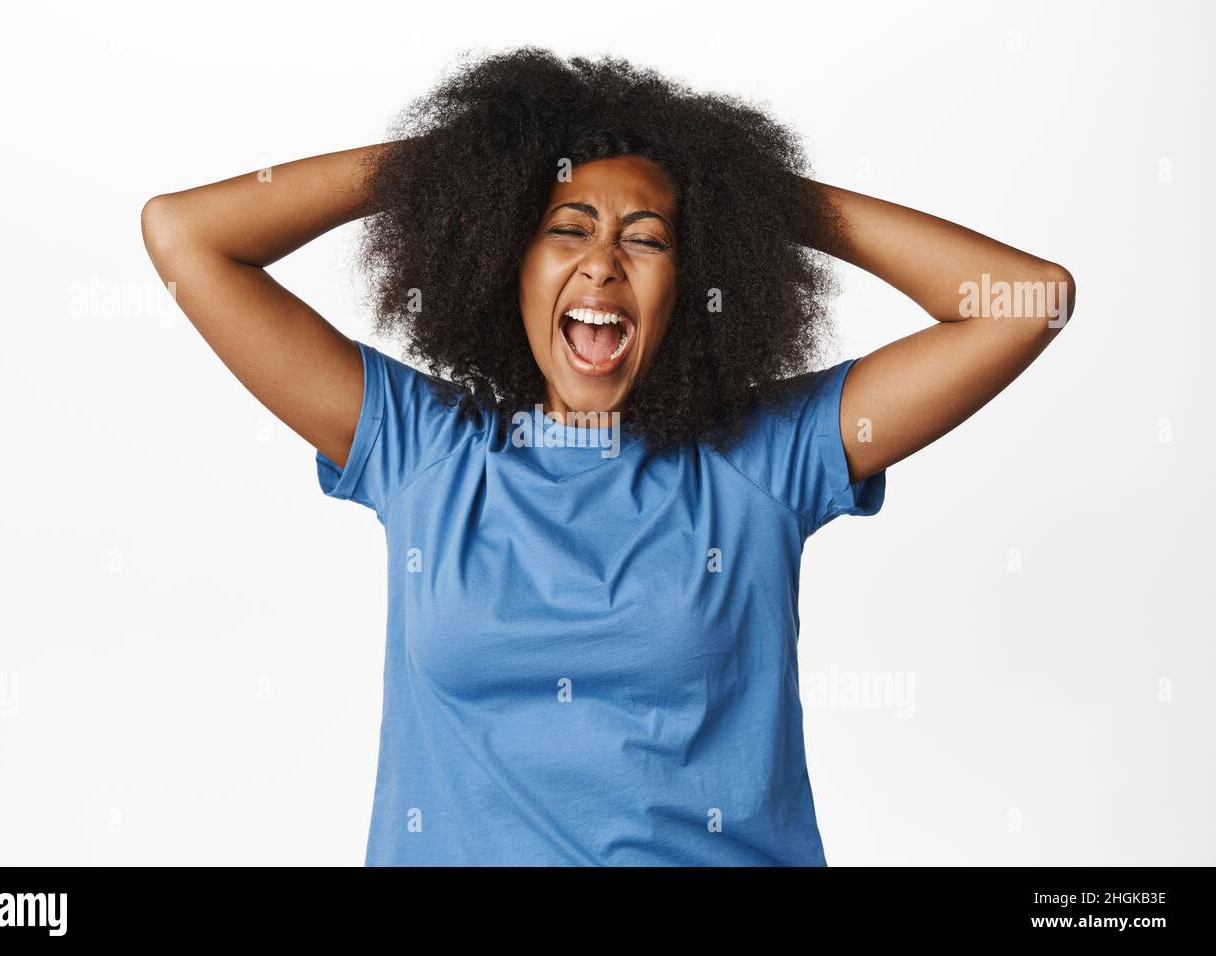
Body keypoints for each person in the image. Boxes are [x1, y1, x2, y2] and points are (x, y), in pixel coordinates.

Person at [140, 48, 1075, 866]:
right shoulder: (423, 452)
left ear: (699, 282)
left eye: (648, 239)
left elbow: (1029, 300)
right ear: (508, 258)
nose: (603, 263)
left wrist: (762, 200)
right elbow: (186, 236)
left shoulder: (762, 464)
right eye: (567, 227)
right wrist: (455, 167)